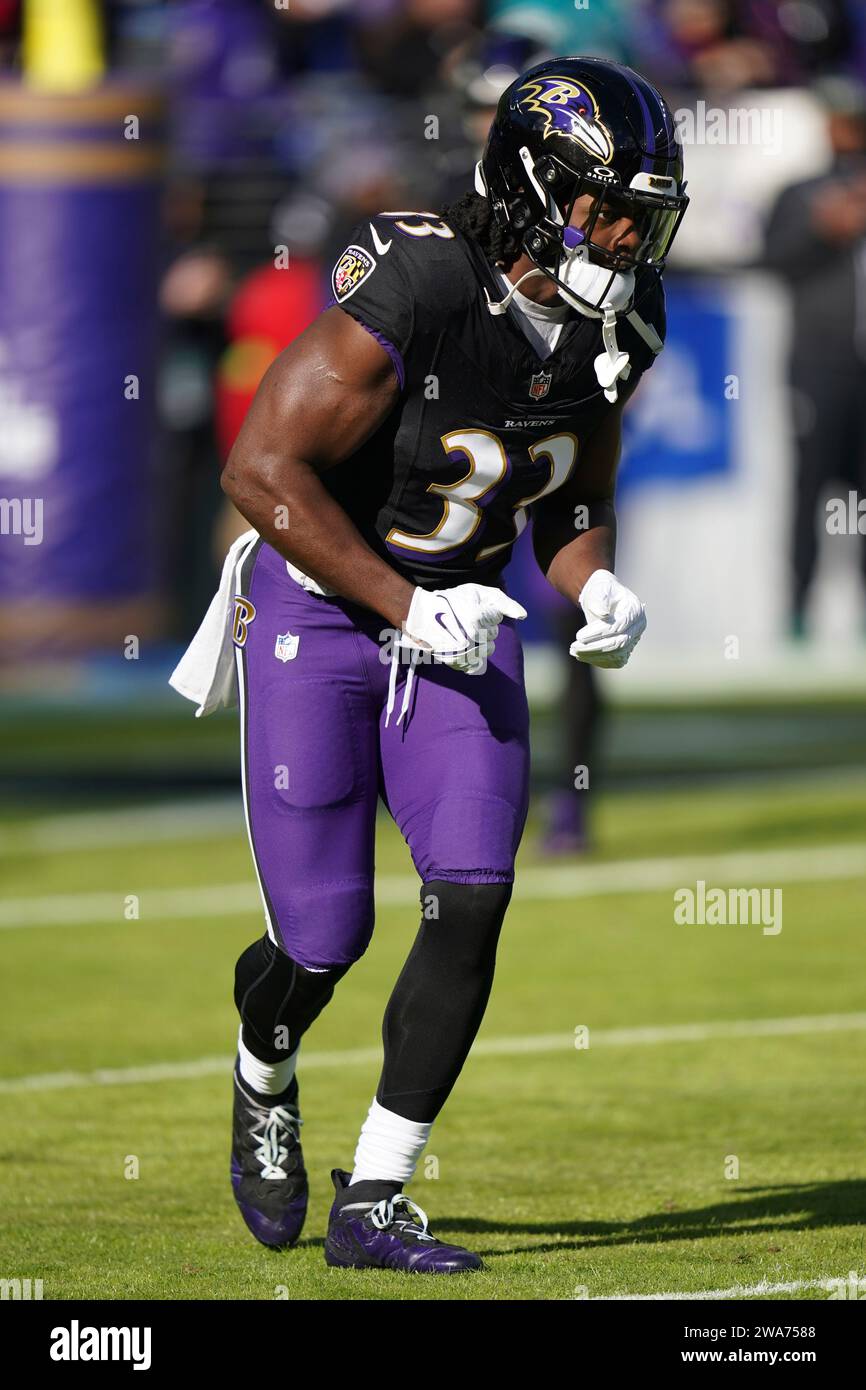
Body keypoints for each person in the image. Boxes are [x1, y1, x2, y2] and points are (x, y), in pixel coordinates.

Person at [172, 55, 688, 1274]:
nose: (622, 235)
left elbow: (571, 495)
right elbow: (259, 471)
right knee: (321, 940)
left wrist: (588, 580)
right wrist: (403, 603)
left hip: (458, 628)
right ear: (525, 190)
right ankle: (263, 1068)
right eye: (601, 205)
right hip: (321, 613)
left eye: (639, 212)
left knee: (472, 893)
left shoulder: (623, 320)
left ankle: (381, 1196)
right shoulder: (420, 280)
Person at [763, 77, 866, 635]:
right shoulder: (802, 192)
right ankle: (798, 611)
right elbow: (771, 258)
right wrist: (824, 230)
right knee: (812, 489)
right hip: (819, 366)